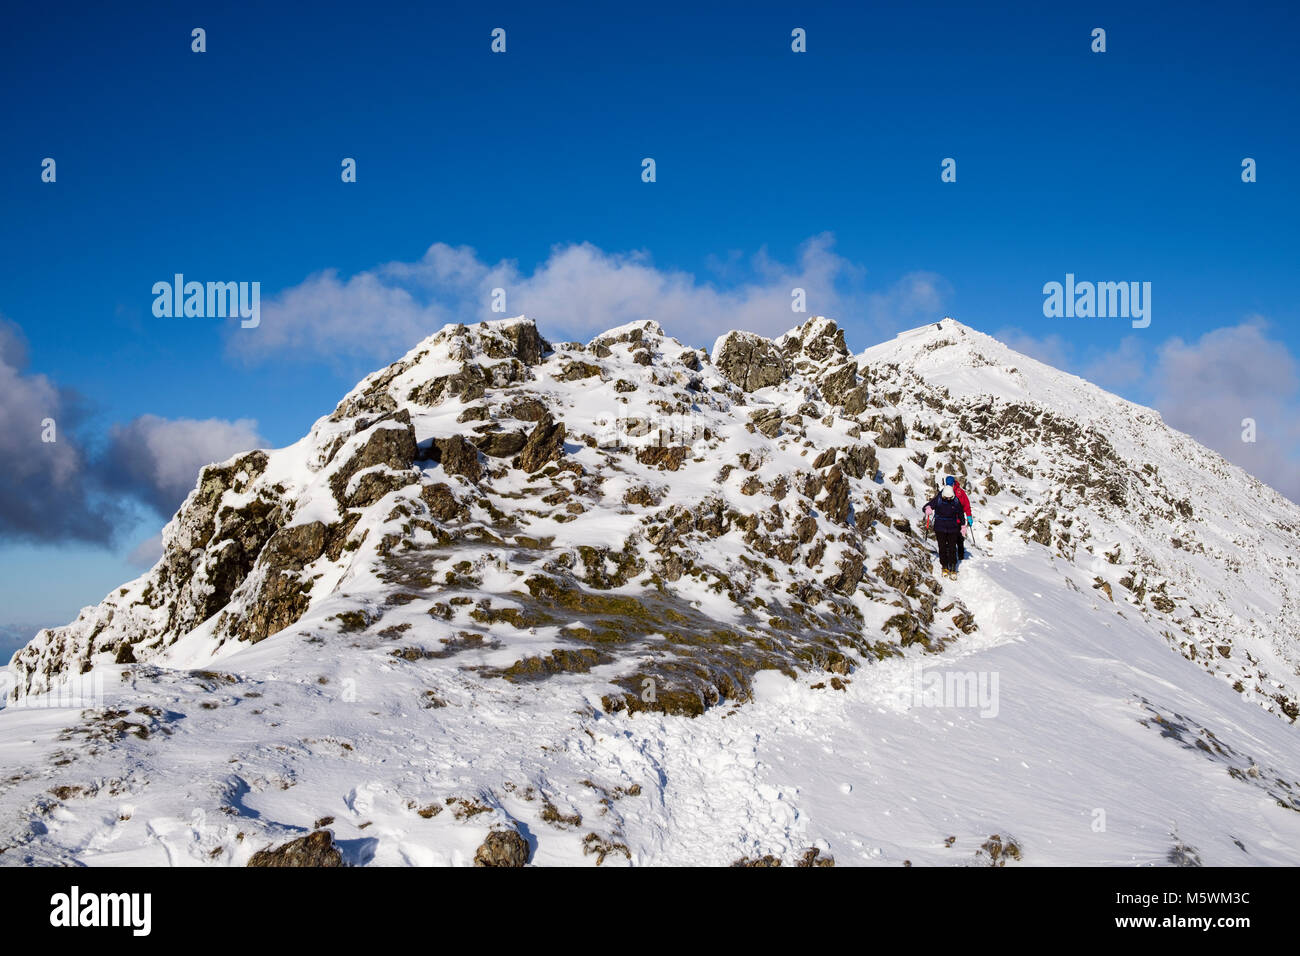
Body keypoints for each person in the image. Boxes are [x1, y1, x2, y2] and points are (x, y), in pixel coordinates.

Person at [923, 484, 966, 579]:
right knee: (942, 547)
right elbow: (926, 506)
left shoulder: (955, 501)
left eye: (949, 498)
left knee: (952, 548)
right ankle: (945, 566)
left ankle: (953, 566)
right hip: (940, 527)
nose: (947, 499)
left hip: (953, 528)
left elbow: (961, 514)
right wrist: (928, 509)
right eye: (946, 498)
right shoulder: (938, 499)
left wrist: (963, 526)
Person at [944, 475, 973, 561]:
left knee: (959, 538)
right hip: (948, 519)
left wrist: (969, 517)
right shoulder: (945, 492)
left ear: (954, 483)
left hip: (959, 520)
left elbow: (966, 505)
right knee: (948, 539)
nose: (950, 486)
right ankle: (949, 555)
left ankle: (961, 556)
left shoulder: (960, 492)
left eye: (951, 484)